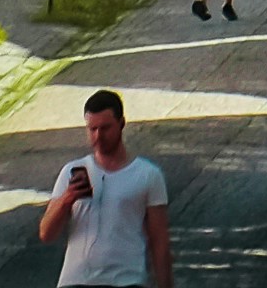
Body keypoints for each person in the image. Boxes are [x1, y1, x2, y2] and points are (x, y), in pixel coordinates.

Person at [38, 91, 169, 288]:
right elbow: (46, 233)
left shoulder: (148, 175)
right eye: (92, 129)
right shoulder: (71, 172)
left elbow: (160, 242)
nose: (98, 136)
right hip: (76, 281)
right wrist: (67, 198)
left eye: (105, 128)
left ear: (122, 123)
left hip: (126, 281)